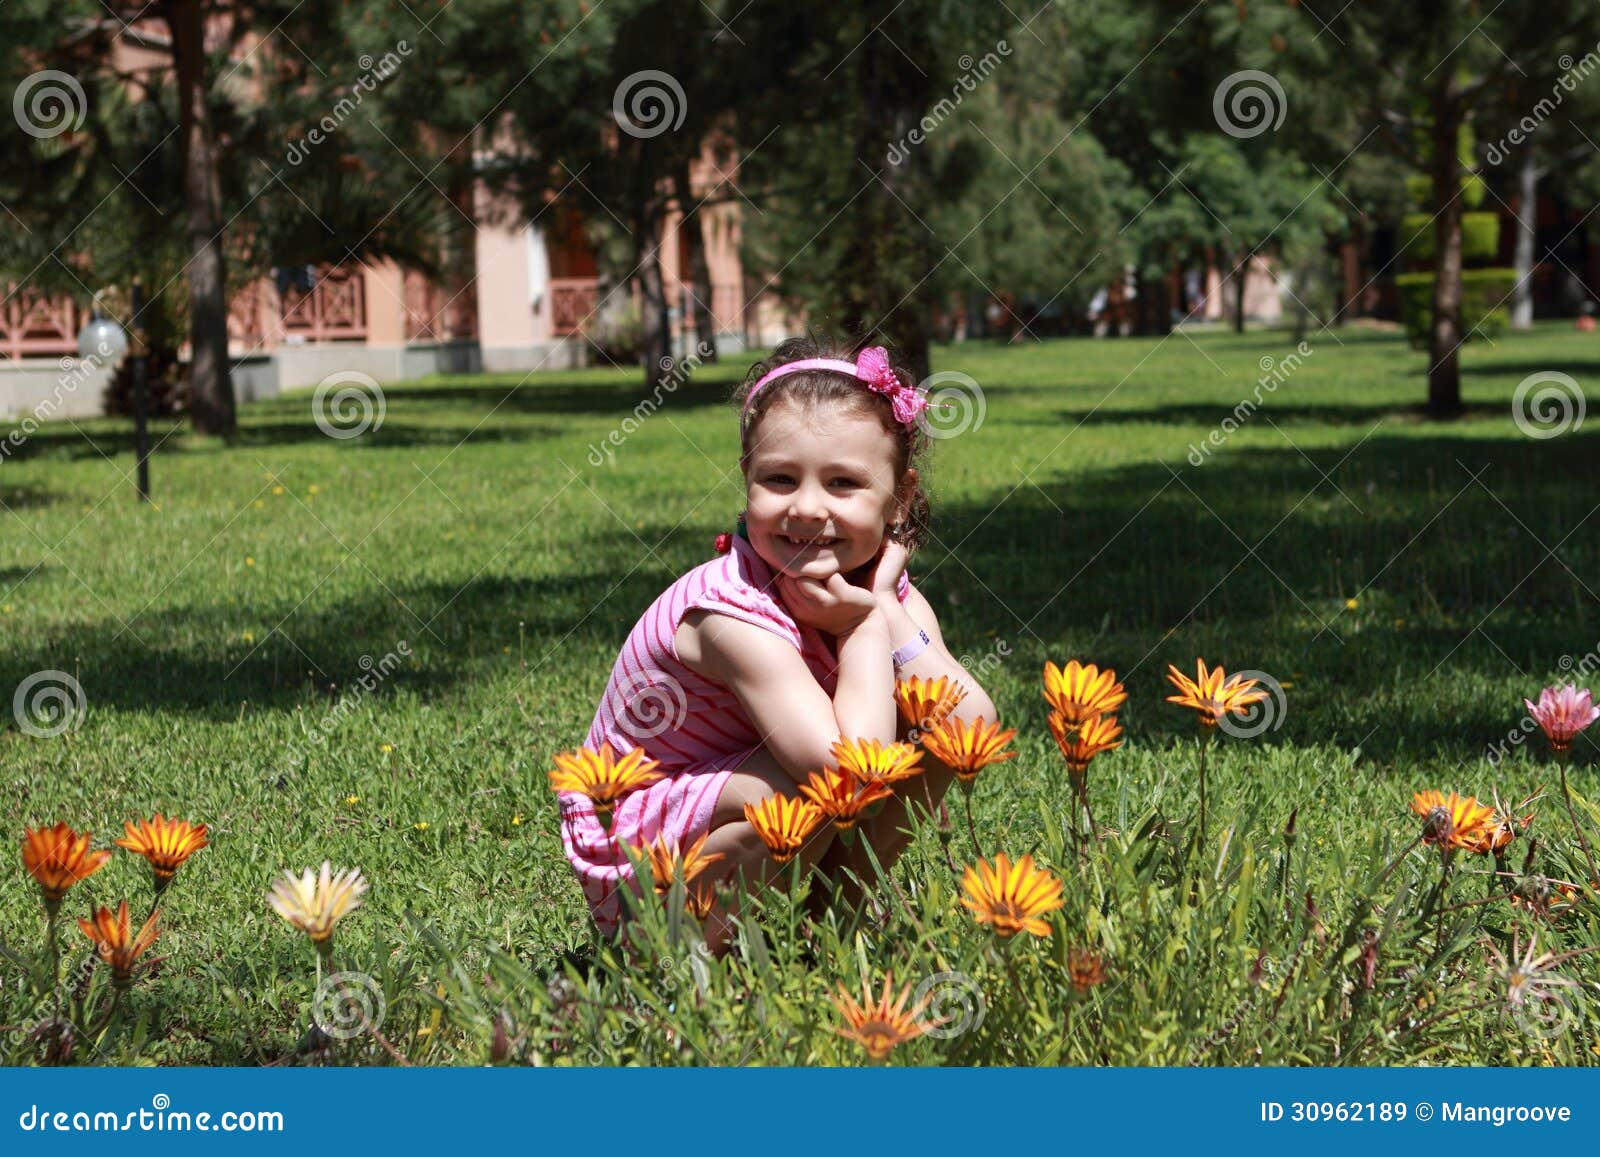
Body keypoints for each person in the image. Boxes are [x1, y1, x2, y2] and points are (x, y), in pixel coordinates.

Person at [557, 336, 999, 950]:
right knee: (815, 789)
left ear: (899, 497)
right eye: (780, 479)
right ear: (747, 480)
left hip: (737, 790)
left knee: (934, 729)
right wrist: (862, 626)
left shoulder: (870, 587)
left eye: (844, 483)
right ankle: (678, 955)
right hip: (639, 845)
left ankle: (827, 919)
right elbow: (849, 774)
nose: (807, 508)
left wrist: (886, 612)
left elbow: (970, 720)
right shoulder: (730, 616)